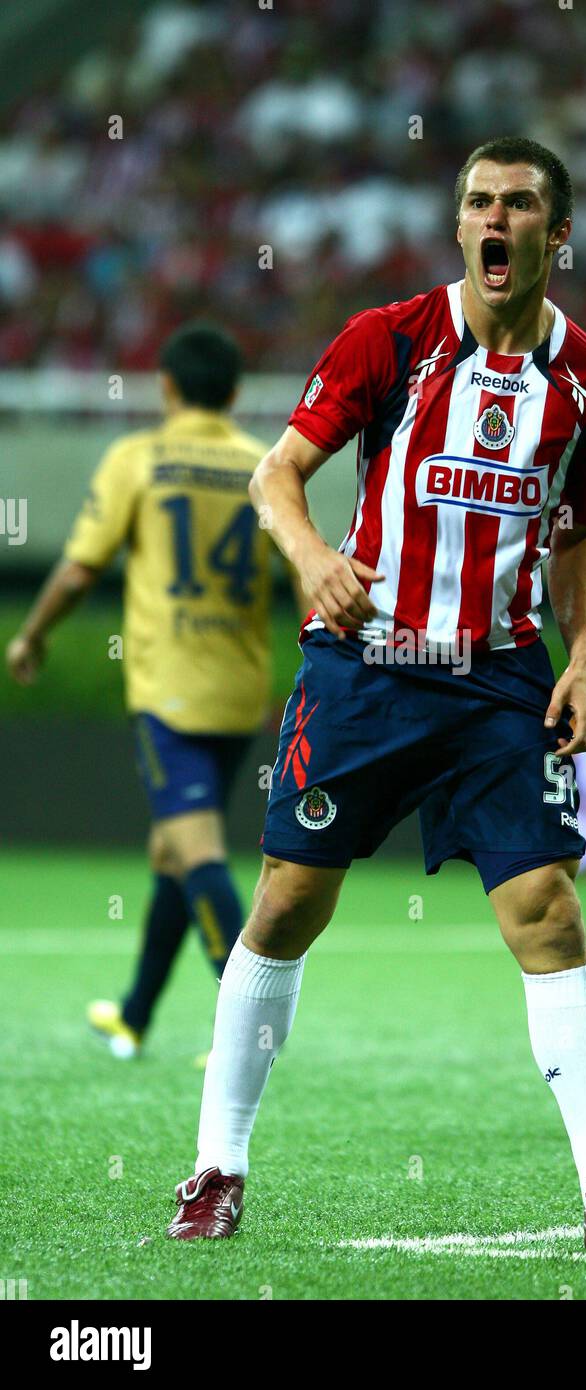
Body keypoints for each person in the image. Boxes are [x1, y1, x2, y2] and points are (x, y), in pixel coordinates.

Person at [166, 138, 586, 1259]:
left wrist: (583, 652)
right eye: (479, 202)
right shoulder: (387, 340)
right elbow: (276, 475)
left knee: (546, 906)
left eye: (522, 204)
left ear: (558, 235)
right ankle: (217, 1166)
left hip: (500, 681)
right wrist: (310, 559)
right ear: (460, 228)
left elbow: (580, 533)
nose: (497, 219)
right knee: (290, 904)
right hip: (366, 668)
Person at [6, 323, 303, 1060]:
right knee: (171, 851)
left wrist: (32, 635)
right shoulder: (260, 465)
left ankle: (250, 1030)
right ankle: (135, 1014)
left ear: (166, 388)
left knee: (193, 847)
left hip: (168, 693)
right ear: (234, 393)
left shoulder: (138, 457)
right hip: (238, 695)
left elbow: (79, 569)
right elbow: (305, 567)